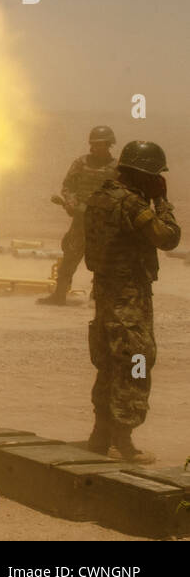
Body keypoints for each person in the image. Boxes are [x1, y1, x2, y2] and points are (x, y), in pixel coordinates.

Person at [82, 140, 179, 463]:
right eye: (154, 176)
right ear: (141, 175)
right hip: (128, 297)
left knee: (110, 362)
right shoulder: (131, 204)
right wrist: (162, 201)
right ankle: (122, 442)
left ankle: (99, 436)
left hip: (105, 292)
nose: (156, 181)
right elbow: (168, 237)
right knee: (135, 361)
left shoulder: (100, 198)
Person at [38, 125, 117, 305]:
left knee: (102, 262)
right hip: (80, 222)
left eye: (102, 144)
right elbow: (68, 186)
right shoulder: (81, 163)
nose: (98, 147)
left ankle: (96, 299)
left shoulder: (115, 168)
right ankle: (59, 295)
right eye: (95, 144)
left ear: (109, 144)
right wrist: (71, 201)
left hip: (102, 224)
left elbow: (119, 195)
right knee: (69, 258)